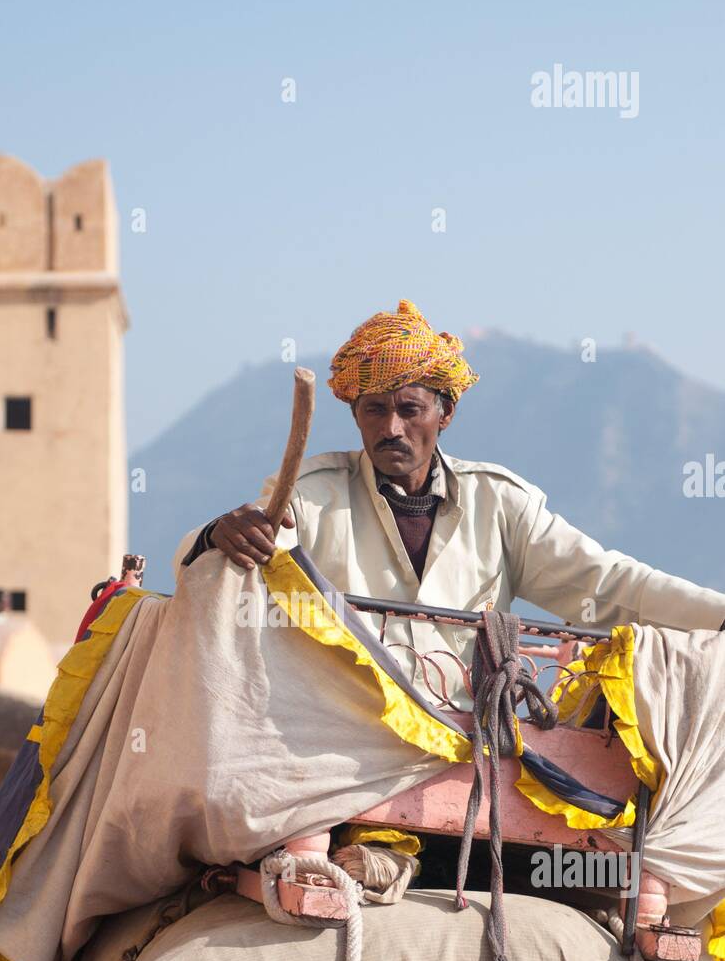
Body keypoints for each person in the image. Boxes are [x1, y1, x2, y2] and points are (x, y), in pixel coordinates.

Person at [174, 300, 725, 706]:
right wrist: (218, 534)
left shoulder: (500, 503)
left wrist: (717, 618)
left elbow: (607, 586)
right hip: (339, 746)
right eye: (373, 410)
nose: (391, 428)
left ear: (446, 413)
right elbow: (219, 561)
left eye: (410, 409)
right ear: (355, 416)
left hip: (475, 745)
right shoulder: (310, 495)